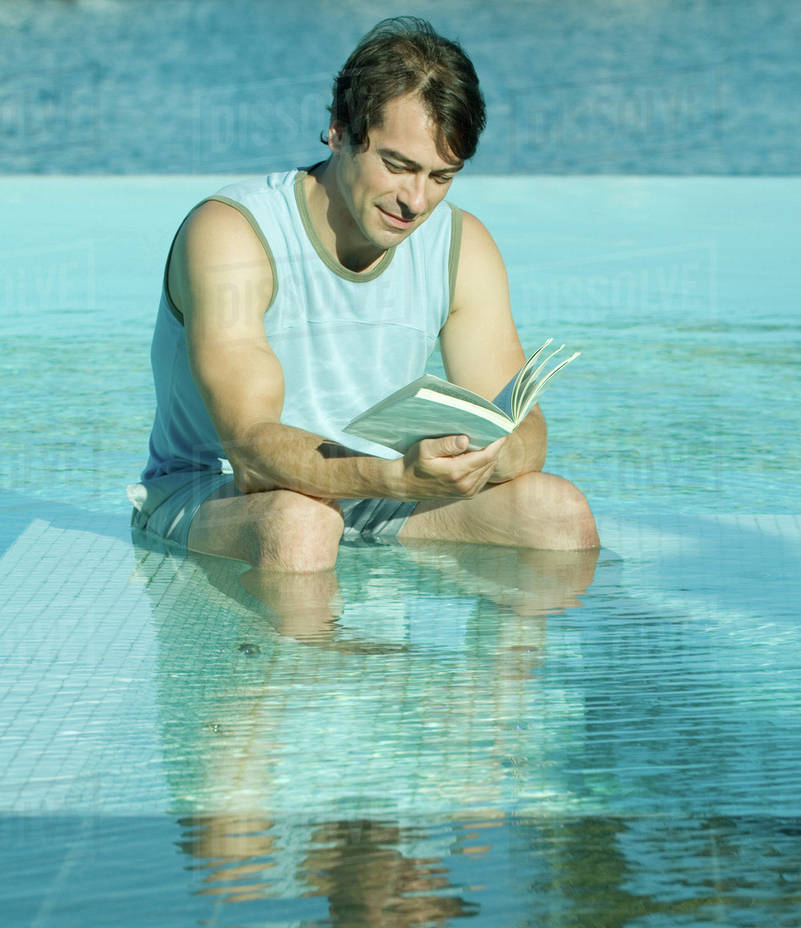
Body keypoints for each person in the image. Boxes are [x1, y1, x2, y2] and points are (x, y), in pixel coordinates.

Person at [129, 16, 599, 573]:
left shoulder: (462, 244)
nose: (417, 201)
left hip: (381, 490)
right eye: (398, 166)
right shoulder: (231, 234)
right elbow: (251, 451)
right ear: (338, 129)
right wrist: (394, 476)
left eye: (442, 176)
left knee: (556, 512)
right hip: (220, 496)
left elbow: (524, 435)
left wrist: (474, 456)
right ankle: (337, 665)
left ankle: (499, 664)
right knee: (300, 524)